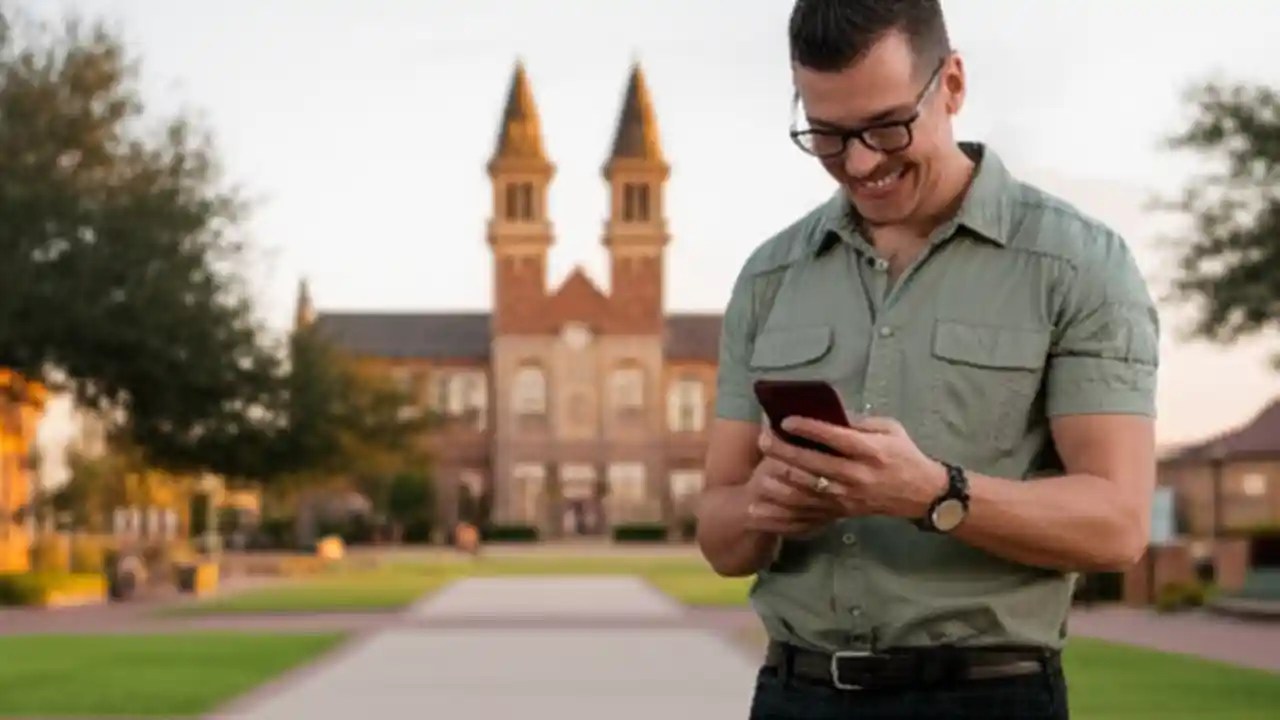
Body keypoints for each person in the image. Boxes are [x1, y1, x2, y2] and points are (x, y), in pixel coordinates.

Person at [695, 1, 1159, 718]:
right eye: (826, 134)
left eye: (886, 127)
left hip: (986, 700)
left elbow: (1118, 525)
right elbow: (721, 539)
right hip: (795, 697)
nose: (859, 162)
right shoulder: (769, 277)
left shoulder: (1076, 265)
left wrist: (931, 493)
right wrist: (766, 507)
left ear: (951, 84)